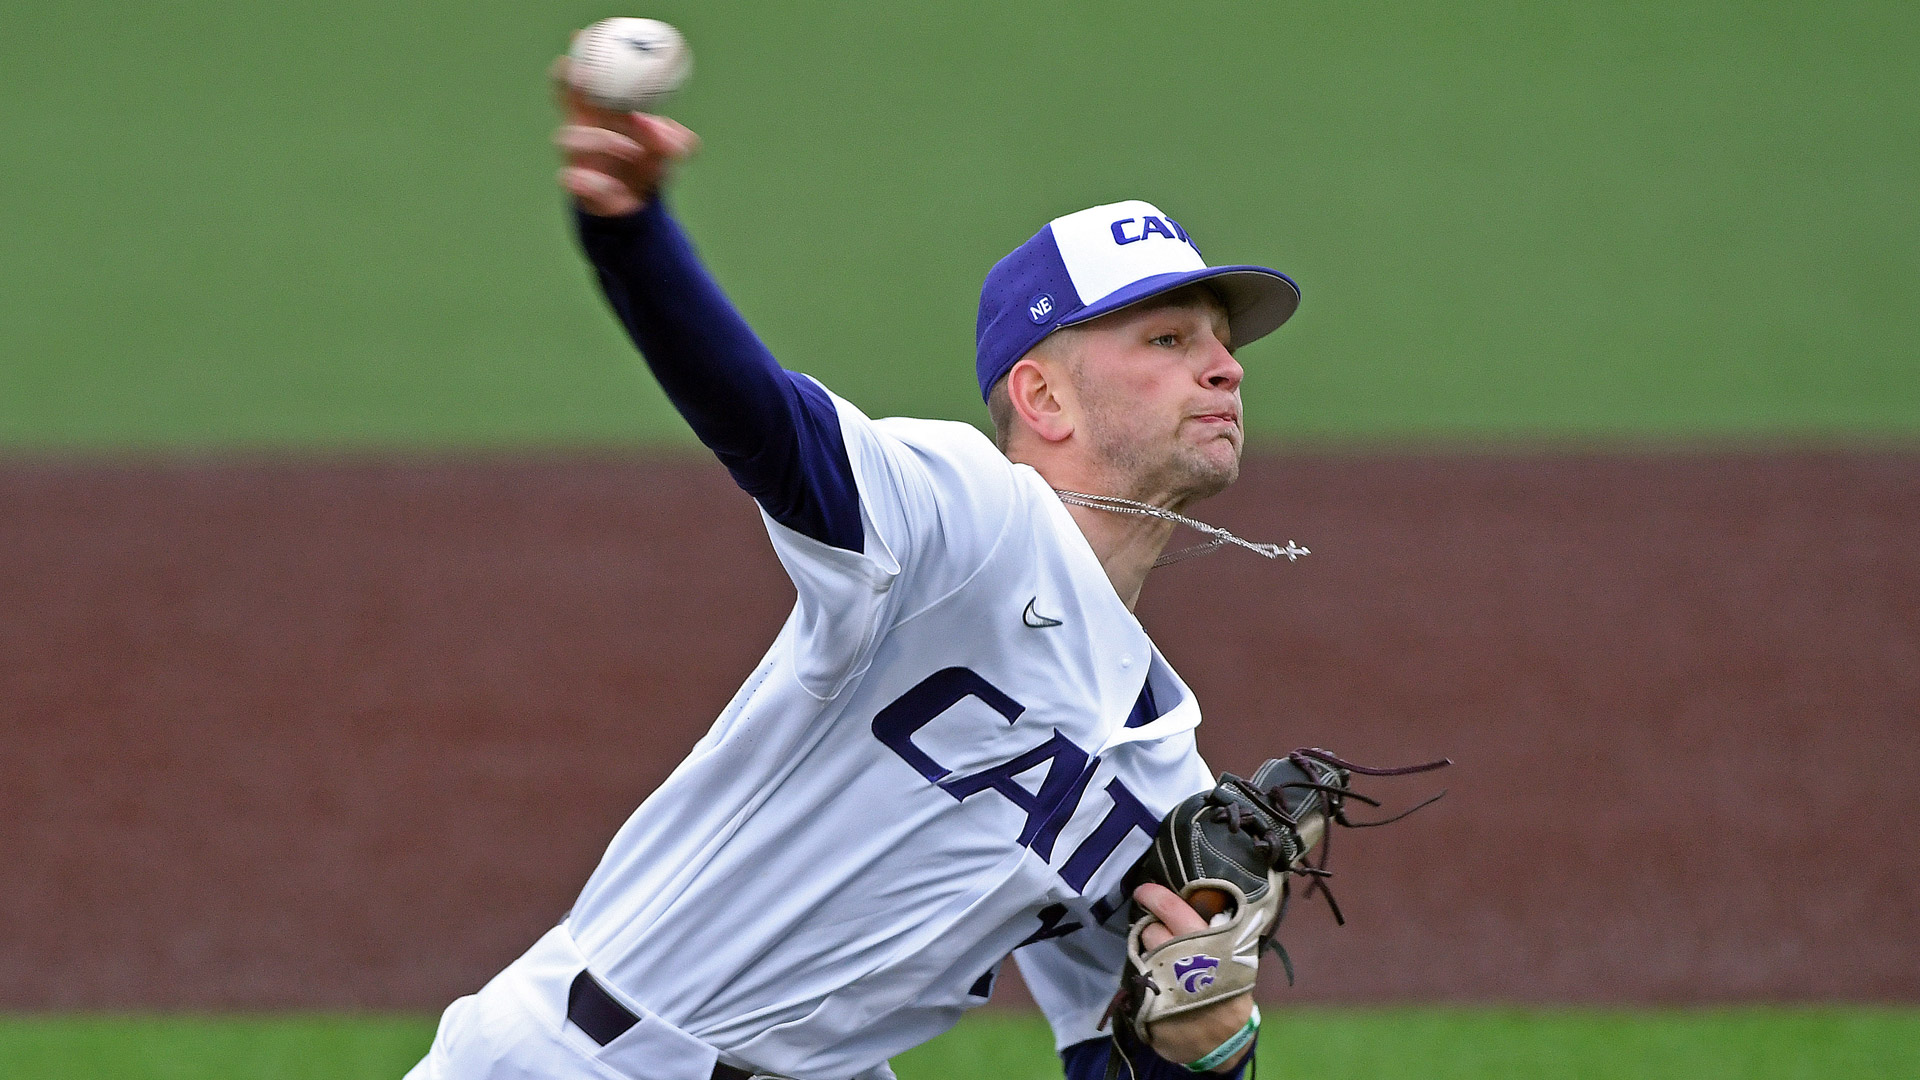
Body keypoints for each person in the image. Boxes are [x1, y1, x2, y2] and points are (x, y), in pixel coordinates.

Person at [405, 54, 1303, 1080]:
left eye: (1222, 344)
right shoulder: (964, 520)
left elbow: (1118, 1055)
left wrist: (1211, 1045)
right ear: (1043, 398)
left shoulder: (1163, 772)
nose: (1224, 368)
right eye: (1169, 339)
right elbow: (766, 424)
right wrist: (632, 237)